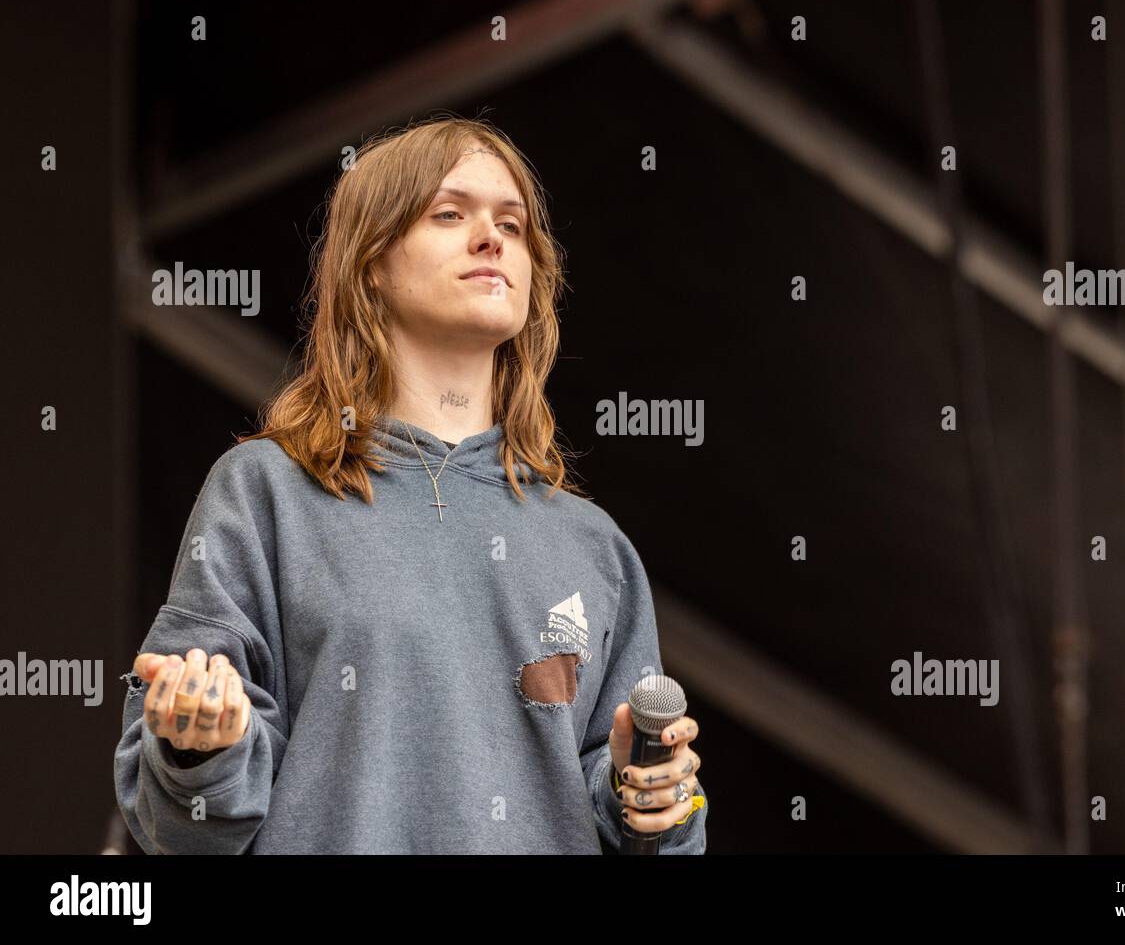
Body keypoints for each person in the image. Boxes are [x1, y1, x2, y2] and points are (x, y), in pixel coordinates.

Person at [112, 116, 708, 854]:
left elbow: (652, 827)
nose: (492, 239)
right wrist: (199, 745)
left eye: (513, 225)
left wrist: (654, 799)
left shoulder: (595, 546)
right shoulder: (264, 492)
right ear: (371, 266)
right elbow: (174, 824)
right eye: (450, 213)